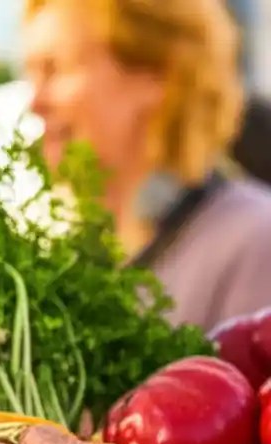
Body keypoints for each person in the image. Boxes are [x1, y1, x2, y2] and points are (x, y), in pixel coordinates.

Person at [23, 0, 271, 331]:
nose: (35, 103)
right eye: (31, 75)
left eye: (55, 69)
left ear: (158, 74)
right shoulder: (74, 263)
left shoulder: (254, 243)